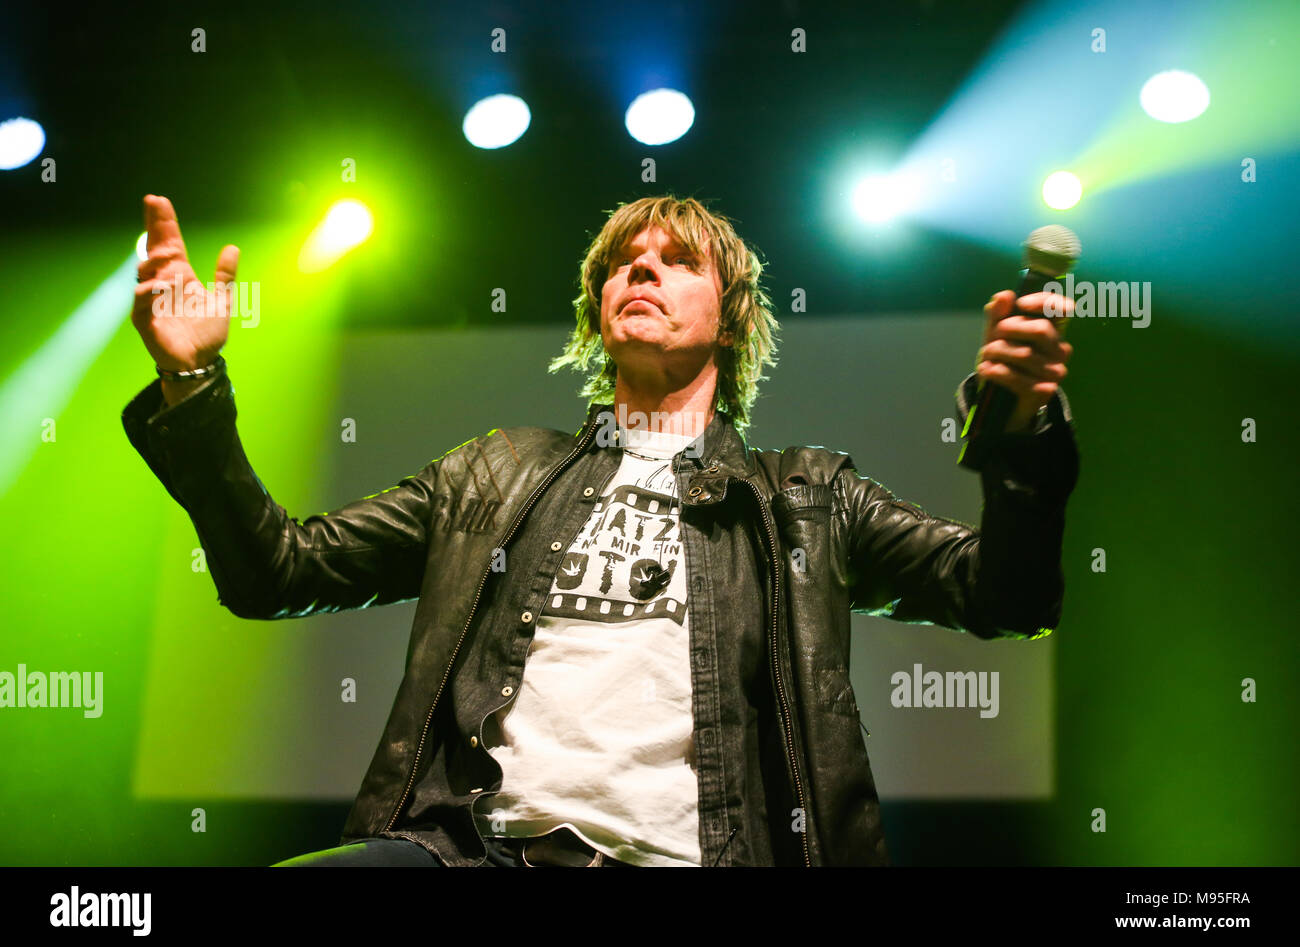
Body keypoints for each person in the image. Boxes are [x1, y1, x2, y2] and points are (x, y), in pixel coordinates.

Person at [123, 193, 1078, 867]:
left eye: (676, 261)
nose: (642, 270)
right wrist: (192, 387)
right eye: (624, 263)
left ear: (733, 319)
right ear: (596, 313)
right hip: (468, 854)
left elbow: (1009, 595)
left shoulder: (808, 497)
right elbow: (276, 572)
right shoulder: (493, 473)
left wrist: (1023, 428)